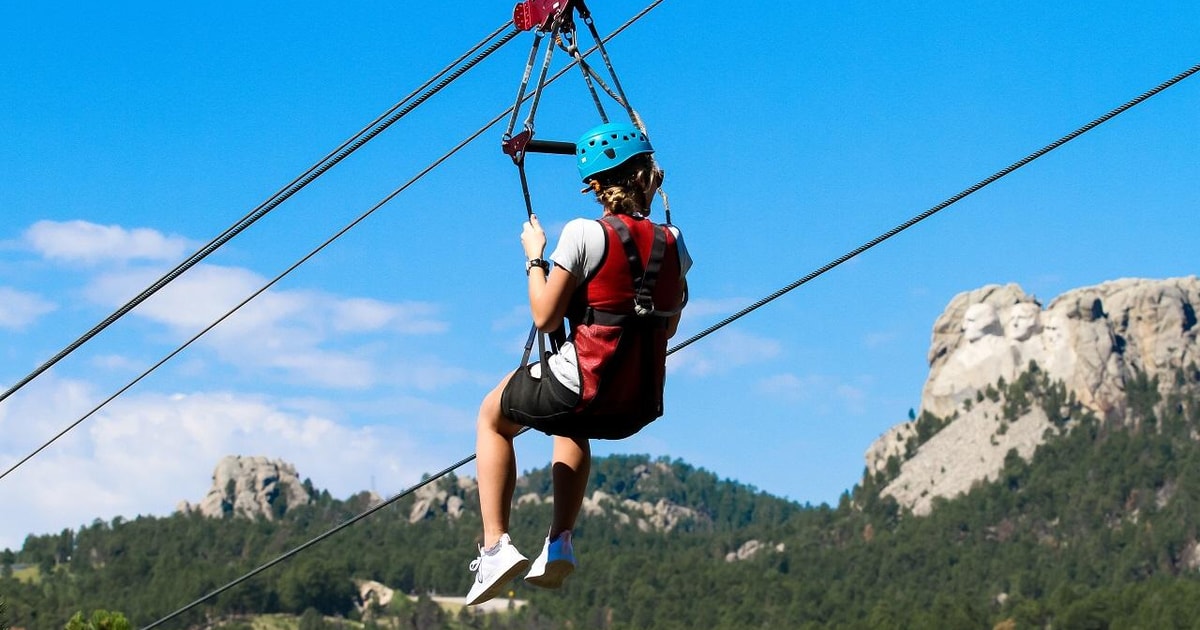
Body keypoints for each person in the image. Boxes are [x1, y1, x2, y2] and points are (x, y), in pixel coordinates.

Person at [465, 122, 692, 606]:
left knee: (492, 415)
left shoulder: (584, 233)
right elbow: (667, 327)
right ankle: (560, 541)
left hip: (582, 386)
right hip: (636, 403)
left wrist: (534, 259)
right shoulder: (675, 243)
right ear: (644, 177)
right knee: (571, 424)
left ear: (596, 186)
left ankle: (495, 547)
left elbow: (546, 318)